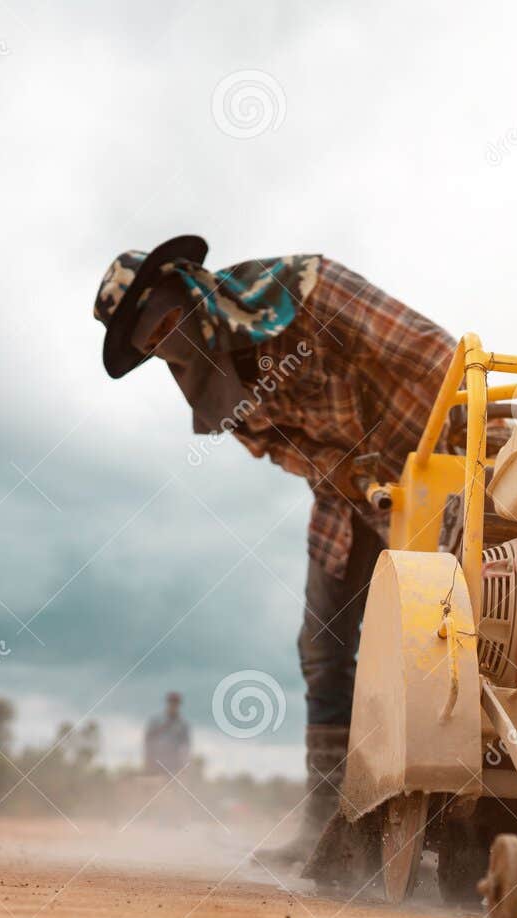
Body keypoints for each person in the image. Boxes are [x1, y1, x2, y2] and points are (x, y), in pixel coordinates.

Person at [93, 236, 454, 864]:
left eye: (161, 319)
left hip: (445, 473)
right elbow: (292, 451)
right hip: (355, 496)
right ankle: (333, 824)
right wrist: (357, 479)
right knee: (322, 648)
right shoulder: (223, 396)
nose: (162, 340)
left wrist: (436, 476)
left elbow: (437, 359)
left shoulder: (309, 293)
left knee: (446, 640)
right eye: (150, 343)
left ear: (186, 283)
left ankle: (452, 823)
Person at [143, 691, 192, 777]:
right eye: (171, 702)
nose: (173, 705)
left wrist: (185, 764)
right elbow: (148, 739)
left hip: (174, 762)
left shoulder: (183, 724)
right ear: (168, 703)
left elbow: (186, 746)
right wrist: (148, 759)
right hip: (157, 760)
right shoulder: (156, 720)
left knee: (172, 787)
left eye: (175, 702)